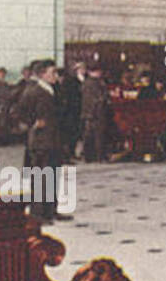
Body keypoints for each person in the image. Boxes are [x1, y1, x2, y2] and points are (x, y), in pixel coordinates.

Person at [13, 59, 71, 222]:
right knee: (40, 177)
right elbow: (17, 112)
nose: (56, 75)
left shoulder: (52, 89)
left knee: (53, 175)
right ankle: (37, 214)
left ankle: (51, 210)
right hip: (40, 142)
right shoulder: (32, 91)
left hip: (54, 140)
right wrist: (33, 123)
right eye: (52, 72)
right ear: (42, 74)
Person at [80, 65, 109, 162]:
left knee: (92, 134)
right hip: (95, 113)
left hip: (91, 113)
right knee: (96, 135)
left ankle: (92, 156)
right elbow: (94, 100)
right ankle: (97, 155)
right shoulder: (93, 83)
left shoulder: (90, 82)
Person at [58, 62, 84, 163]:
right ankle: (67, 155)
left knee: (76, 133)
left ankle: (72, 153)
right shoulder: (71, 81)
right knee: (69, 134)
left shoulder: (84, 79)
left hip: (79, 110)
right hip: (71, 111)